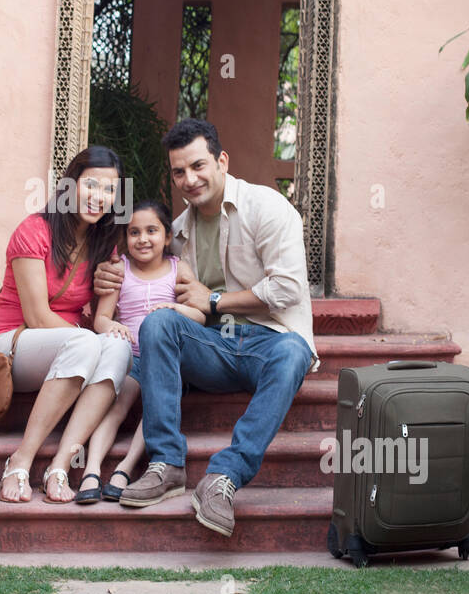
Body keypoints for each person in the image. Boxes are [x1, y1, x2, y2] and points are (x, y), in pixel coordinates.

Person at [94, 118, 318, 537]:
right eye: (179, 171)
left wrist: (215, 300)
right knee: (159, 322)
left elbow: (287, 288)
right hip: (214, 344)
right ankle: (166, 465)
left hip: (270, 342)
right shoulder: (177, 231)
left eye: (198, 166)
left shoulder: (266, 207)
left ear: (222, 161)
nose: (189, 179)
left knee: (293, 354)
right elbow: (139, 257)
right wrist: (105, 275)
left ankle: (224, 477)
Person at [0, 146, 134, 503]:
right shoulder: (34, 230)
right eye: (92, 185)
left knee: (117, 345)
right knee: (87, 343)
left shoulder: (104, 244)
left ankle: (60, 466)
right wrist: (87, 337)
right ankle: (20, 461)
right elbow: (37, 317)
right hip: (14, 344)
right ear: (71, 185)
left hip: (70, 351)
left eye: (109, 190)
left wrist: (105, 302)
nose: (99, 197)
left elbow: (101, 321)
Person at [78, 201, 204, 504]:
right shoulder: (119, 270)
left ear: (167, 235)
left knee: (155, 407)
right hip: (131, 357)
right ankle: (91, 470)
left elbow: (201, 317)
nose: (143, 239)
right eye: (134, 232)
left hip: (163, 361)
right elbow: (101, 319)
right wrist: (113, 327)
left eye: (151, 231)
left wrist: (176, 307)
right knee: (117, 408)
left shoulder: (178, 269)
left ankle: (125, 468)